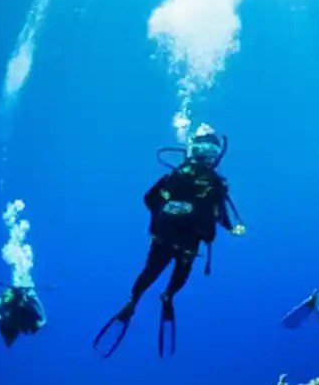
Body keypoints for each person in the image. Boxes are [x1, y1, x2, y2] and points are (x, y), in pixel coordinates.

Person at [94, 127, 246, 358]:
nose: (208, 155)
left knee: (170, 276)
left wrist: (231, 227)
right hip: (168, 239)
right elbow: (150, 199)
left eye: (212, 150)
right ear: (193, 150)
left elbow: (220, 212)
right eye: (203, 149)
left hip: (184, 244)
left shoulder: (215, 184)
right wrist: (165, 210)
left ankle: (162, 297)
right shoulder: (178, 176)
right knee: (153, 272)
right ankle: (135, 301)